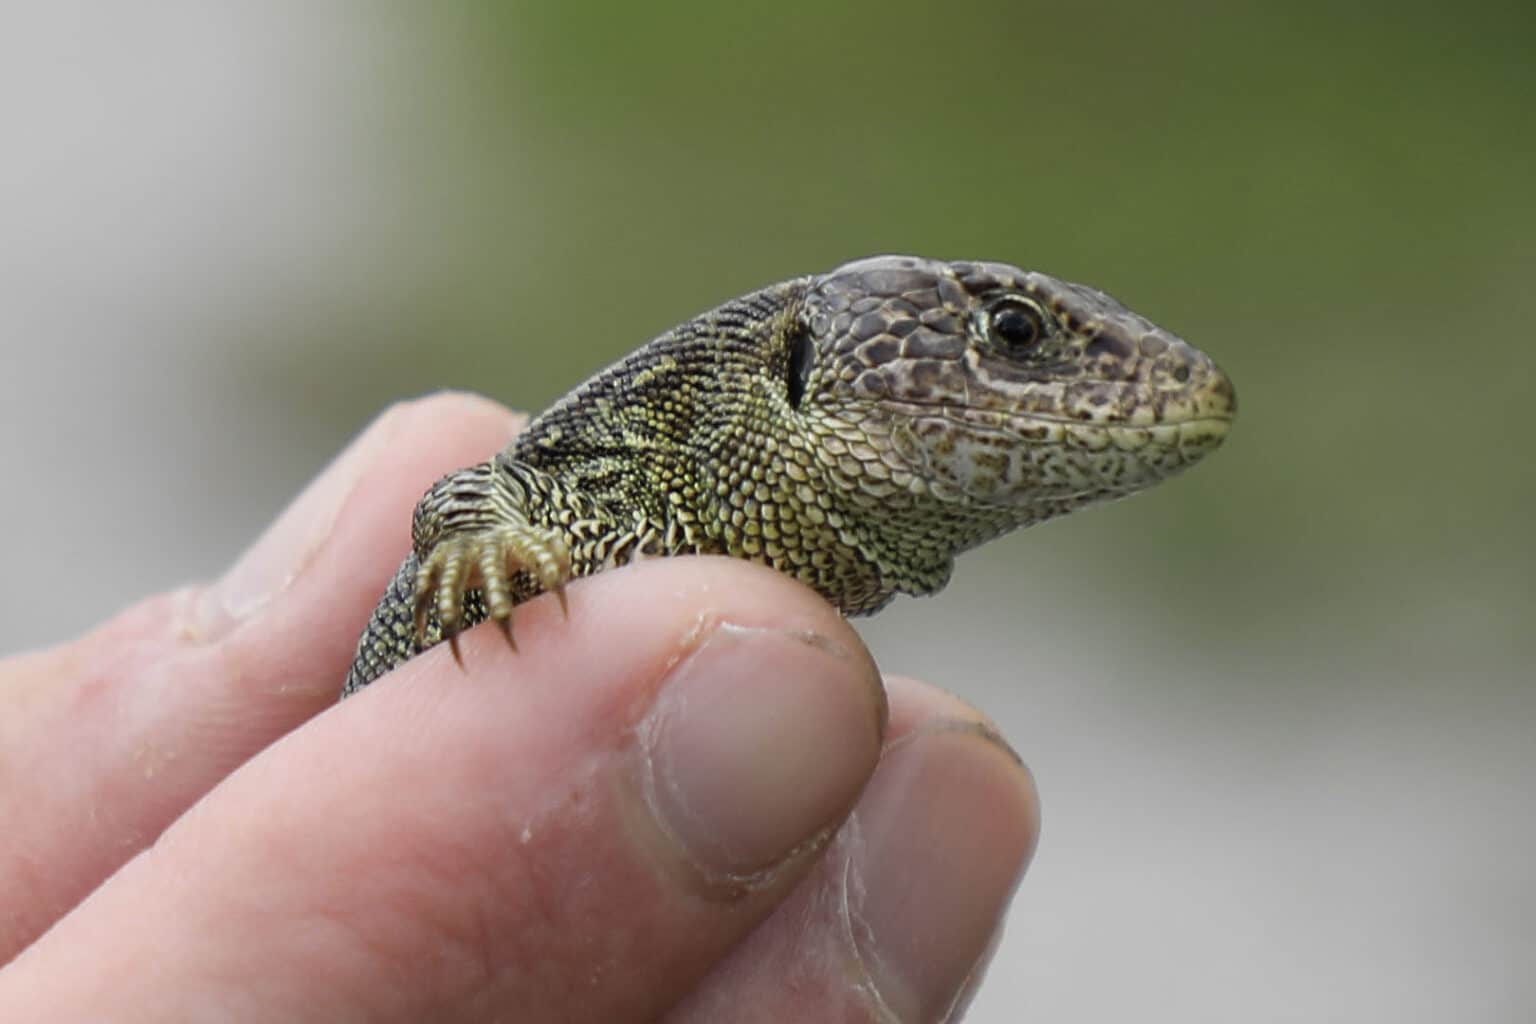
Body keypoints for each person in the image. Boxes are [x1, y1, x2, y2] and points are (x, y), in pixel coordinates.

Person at [0, 393, 1038, 1022]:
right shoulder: (602, 486)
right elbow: (460, 496)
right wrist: (480, 545)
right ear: (808, 366)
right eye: (1014, 336)